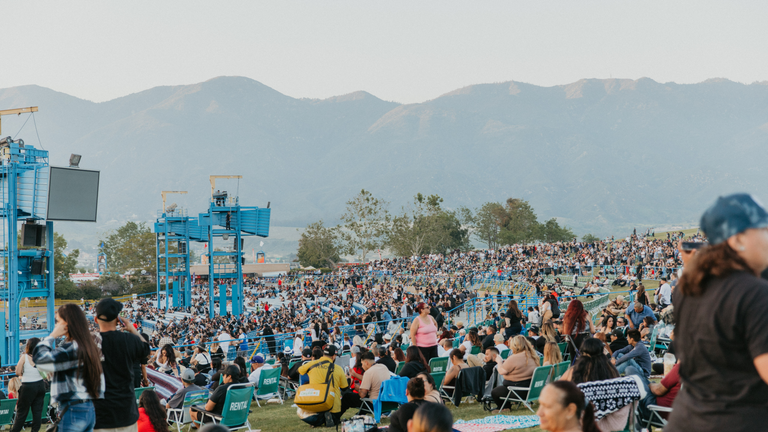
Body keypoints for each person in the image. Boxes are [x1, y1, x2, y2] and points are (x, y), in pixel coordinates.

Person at [666, 194, 768, 432]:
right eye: (764, 229)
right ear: (738, 239)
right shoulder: (755, 294)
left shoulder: (688, 288)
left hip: (687, 419)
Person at [34, 303, 105, 432]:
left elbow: (40, 360)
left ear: (66, 324)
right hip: (88, 406)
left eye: (58, 321)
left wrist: (51, 336)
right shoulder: (88, 345)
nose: (56, 325)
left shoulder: (72, 347)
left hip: (73, 408)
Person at [92, 298, 151, 432]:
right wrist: (132, 330)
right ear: (118, 319)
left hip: (99, 414)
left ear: (96, 319)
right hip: (126, 413)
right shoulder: (130, 340)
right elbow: (146, 349)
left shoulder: (89, 342)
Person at [297, 345, 349, 427]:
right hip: (334, 409)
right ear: (333, 356)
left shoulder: (312, 364)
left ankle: (318, 420)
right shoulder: (338, 369)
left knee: (301, 412)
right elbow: (345, 388)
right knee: (343, 398)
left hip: (315, 405)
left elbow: (300, 370)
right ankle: (329, 417)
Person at [491, 336, 539, 412]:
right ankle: (506, 407)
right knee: (501, 389)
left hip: (517, 391)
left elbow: (501, 371)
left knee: (495, 392)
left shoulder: (514, 358)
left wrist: (499, 362)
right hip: (531, 390)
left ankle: (505, 407)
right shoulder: (532, 355)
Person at [11, 338, 47, 432]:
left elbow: (18, 371)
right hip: (40, 385)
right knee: (37, 412)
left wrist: (24, 373)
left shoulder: (25, 357)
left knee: (22, 413)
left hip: (27, 386)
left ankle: (15, 430)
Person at [636, 362, 681, 426]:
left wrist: (650, 385)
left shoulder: (682, 368)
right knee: (643, 380)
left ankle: (643, 428)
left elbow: (658, 390)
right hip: (686, 417)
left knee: (632, 371)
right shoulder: (699, 372)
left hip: (658, 411)